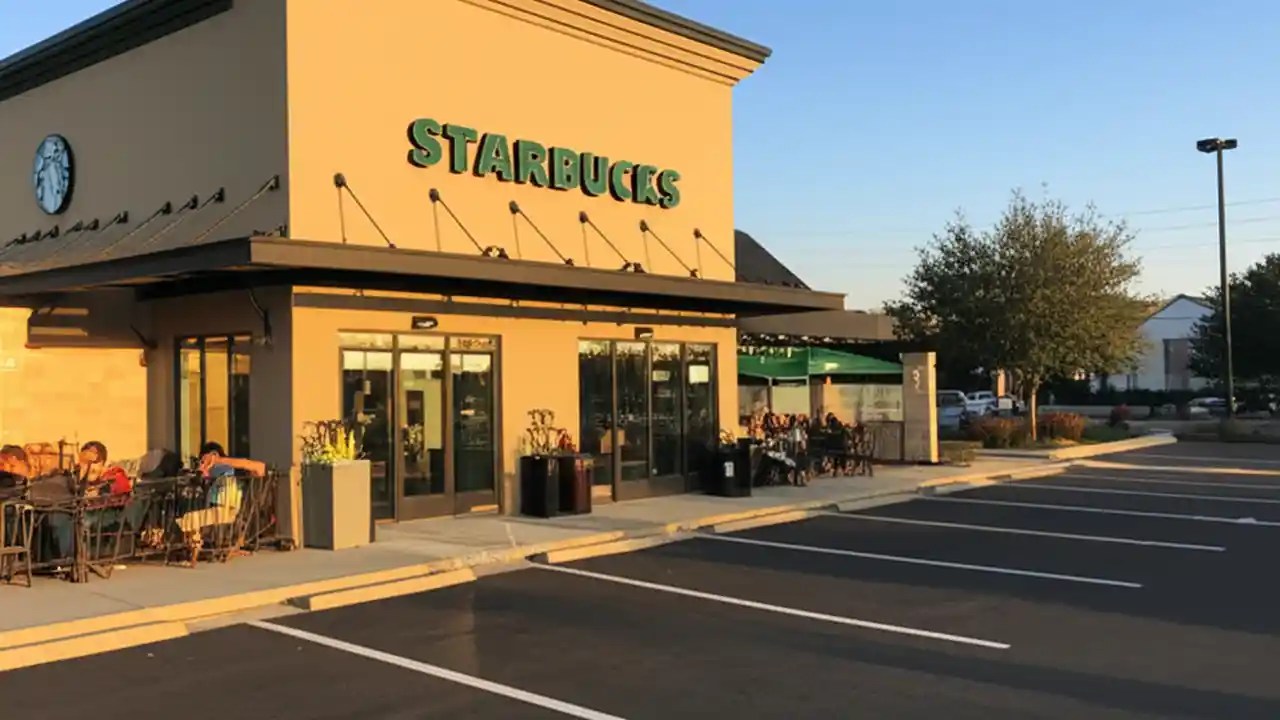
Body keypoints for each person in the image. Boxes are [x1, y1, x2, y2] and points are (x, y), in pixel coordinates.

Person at [175, 442, 265, 564]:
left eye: (204, 459)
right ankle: (194, 550)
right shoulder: (222, 470)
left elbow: (258, 467)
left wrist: (214, 462)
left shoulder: (224, 468)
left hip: (225, 510)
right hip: (222, 509)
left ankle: (194, 554)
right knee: (189, 519)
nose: (204, 463)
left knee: (188, 520)